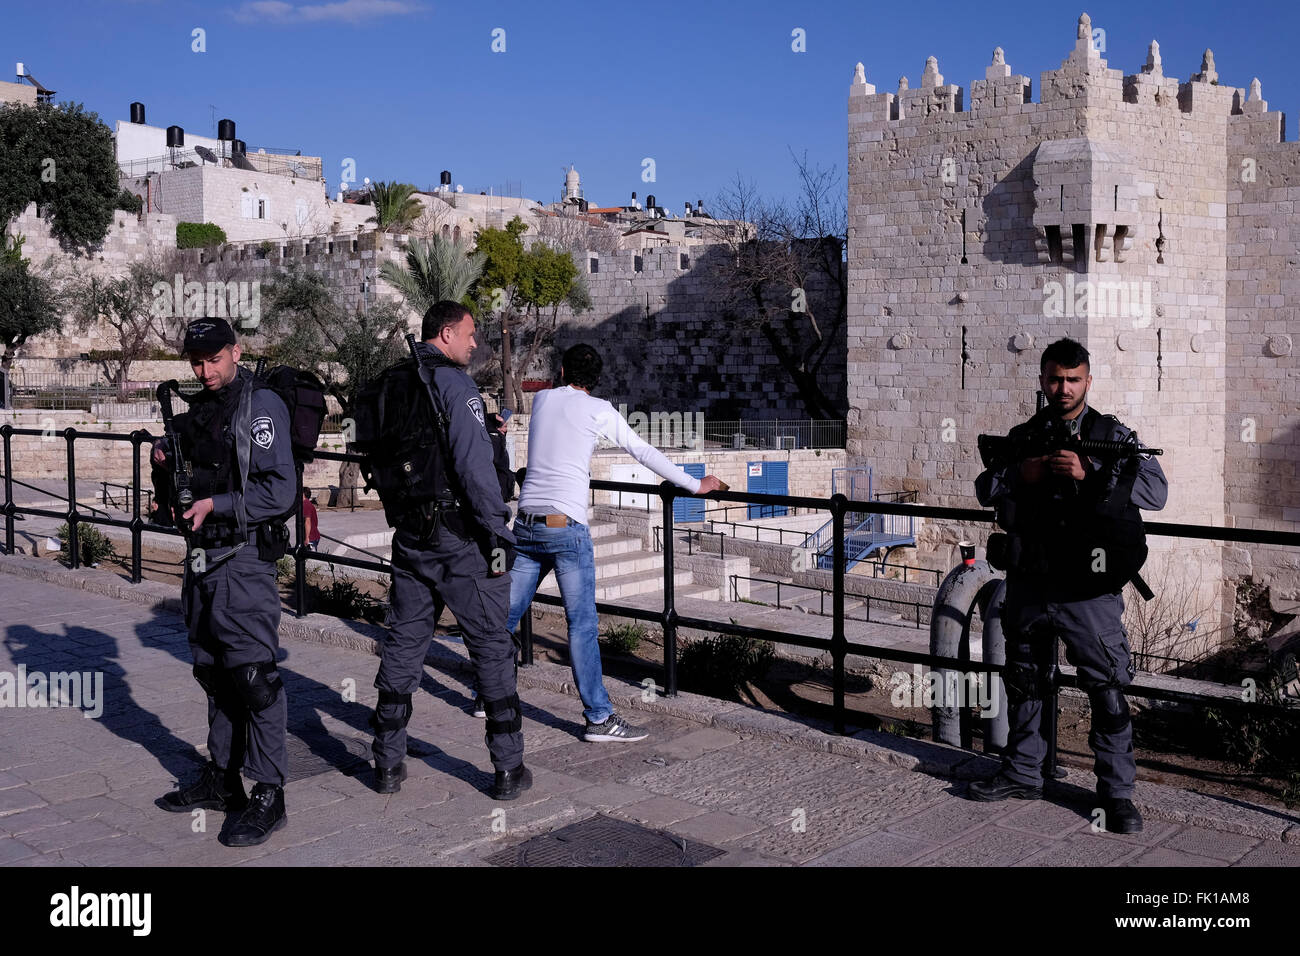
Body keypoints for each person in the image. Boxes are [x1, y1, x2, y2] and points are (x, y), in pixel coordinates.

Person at [969, 337, 1167, 833]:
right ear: (1042, 381)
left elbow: (1156, 492)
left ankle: (1116, 795)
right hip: (1033, 583)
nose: (1063, 388)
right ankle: (1022, 772)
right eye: (1055, 379)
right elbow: (983, 488)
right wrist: (1023, 471)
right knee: (1024, 680)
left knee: (1107, 691)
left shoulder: (1114, 435)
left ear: (1088, 382)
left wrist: (1091, 470)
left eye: (1073, 379)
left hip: (1089, 589)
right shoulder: (1024, 435)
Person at [505, 343, 723, 742]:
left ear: (561, 371)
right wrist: (694, 484)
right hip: (563, 525)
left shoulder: (541, 401)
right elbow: (642, 451)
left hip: (527, 522)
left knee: (504, 618)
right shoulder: (600, 409)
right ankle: (599, 718)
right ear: (596, 379)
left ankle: (490, 696)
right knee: (582, 626)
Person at [367, 301, 529, 800]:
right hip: (460, 540)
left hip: (411, 537)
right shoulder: (455, 386)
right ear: (445, 333)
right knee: (491, 649)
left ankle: (387, 764)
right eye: (470, 334)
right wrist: (497, 528)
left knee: (405, 644)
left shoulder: (392, 381)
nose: (475, 343)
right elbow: (475, 468)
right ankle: (507, 770)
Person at [154, 318, 296, 847]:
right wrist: (163, 470)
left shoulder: (261, 407)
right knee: (213, 670)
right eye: (196, 361)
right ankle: (223, 777)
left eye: (214, 359)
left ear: (236, 352)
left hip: (242, 560)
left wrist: (222, 504)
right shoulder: (200, 410)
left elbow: (280, 490)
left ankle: (269, 791)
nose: (205, 370)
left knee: (254, 676)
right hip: (201, 557)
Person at [487, 410, 516, 502]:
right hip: (498, 482)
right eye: (504, 426)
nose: (506, 429)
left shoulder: (499, 438)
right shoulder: (494, 439)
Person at [301, 487, 321, 551]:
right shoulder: (307, 503)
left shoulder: (305, 504)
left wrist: (307, 538)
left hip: (311, 538)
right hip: (313, 535)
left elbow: (307, 522)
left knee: (311, 559)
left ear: (303, 494)